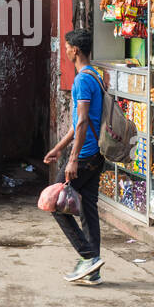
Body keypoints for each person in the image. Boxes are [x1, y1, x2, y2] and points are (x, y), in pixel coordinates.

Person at [43, 29, 106, 285]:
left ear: (75, 50)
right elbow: (80, 122)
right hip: (96, 154)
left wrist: (72, 159)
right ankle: (94, 271)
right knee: (88, 211)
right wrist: (59, 147)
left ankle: (89, 257)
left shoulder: (82, 80)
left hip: (85, 155)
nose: (65, 50)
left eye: (67, 47)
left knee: (55, 203)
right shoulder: (95, 75)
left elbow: (81, 123)